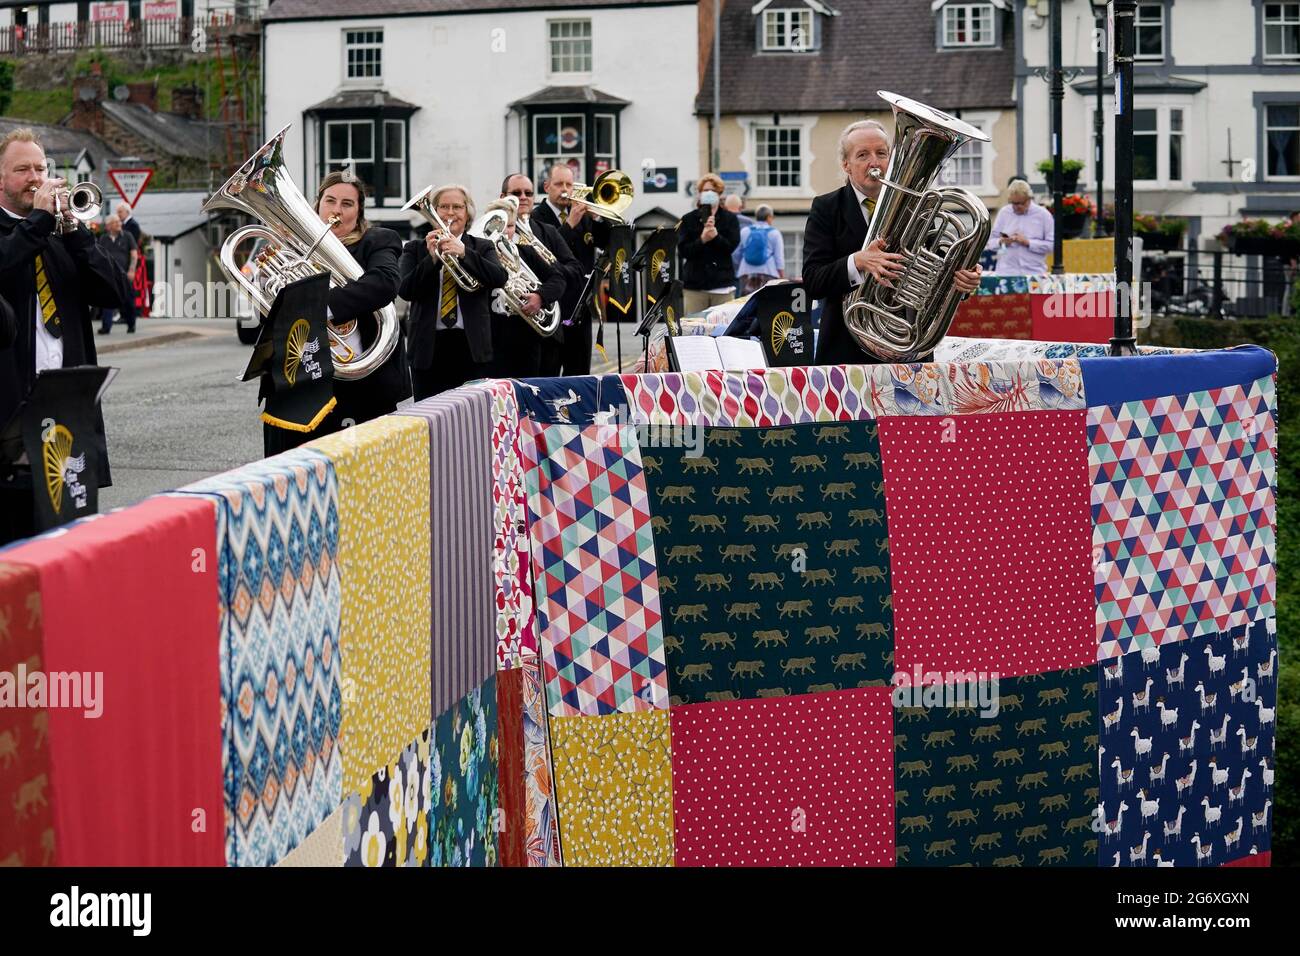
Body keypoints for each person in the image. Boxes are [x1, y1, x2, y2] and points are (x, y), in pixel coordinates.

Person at [0, 128, 129, 545]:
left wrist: (75, 232)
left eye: (41, 167)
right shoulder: (19, 231)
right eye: (22, 169)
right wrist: (37, 222)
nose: (35, 177)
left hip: (67, 413)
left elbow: (117, 295)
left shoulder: (61, 235)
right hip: (9, 415)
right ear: (0, 179)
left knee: (65, 549)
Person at [803, 119, 982, 365]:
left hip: (909, 351)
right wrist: (859, 261)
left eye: (881, 153)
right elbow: (813, 280)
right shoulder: (826, 208)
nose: (874, 162)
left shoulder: (918, 205)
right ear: (846, 164)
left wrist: (961, 278)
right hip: (846, 352)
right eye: (863, 155)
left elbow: (938, 259)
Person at [263, 170, 408, 456]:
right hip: (299, 381)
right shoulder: (291, 249)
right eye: (330, 201)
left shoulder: (377, 240)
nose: (336, 210)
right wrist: (265, 285)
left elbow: (384, 283)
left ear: (358, 211)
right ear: (317, 205)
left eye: (347, 204)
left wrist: (316, 307)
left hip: (359, 382)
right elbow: (271, 317)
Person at [399, 184, 507, 400]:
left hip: (470, 346)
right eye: (443, 207)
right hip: (428, 347)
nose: (450, 213)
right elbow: (406, 290)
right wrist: (431, 260)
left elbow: (499, 277)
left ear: (467, 213)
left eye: (457, 207)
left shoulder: (482, 246)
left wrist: (464, 253)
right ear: (435, 212)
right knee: (429, 417)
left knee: (472, 416)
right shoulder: (415, 248)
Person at [532, 163, 611, 376]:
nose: (565, 189)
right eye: (559, 184)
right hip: (552, 304)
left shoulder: (583, 214)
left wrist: (598, 217)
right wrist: (570, 224)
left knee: (579, 372)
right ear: (547, 186)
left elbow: (607, 243)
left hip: (580, 305)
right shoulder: (536, 217)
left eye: (569, 184)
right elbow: (544, 254)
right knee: (548, 372)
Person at [500, 172, 580, 375]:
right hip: (508, 333)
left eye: (528, 192)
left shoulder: (547, 231)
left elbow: (574, 270)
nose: (523, 197)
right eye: (516, 193)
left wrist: (546, 278)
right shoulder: (494, 232)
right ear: (503, 197)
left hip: (546, 331)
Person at [478, 196, 565, 380]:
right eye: (497, 226)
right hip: (491, 343)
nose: (503, 231)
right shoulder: (478, 257)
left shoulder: (526, 252)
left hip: (526, 342)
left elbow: (558, 279)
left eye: (510, 226)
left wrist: (540, 297)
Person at [678, 173, 741, 314]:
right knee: (693, 330)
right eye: (705, 190)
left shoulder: (730, 219)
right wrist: (702, 240)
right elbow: (683, 251)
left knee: (722, 330)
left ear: (720, 194)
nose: (709, 193)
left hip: (722, 285)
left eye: (713, 191)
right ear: (699, 194)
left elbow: (731, 247)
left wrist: (716, 237)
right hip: (695, 286)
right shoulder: (688, 219)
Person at [984, 179, 1054, 275]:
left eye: (1021, 203)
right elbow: (990, 243)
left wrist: (1028, 242)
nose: (1017, 206)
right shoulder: (1004, 213)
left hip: (1034, 273)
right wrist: (1001, 242)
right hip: (1006, 273)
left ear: (1029, 198)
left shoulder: (1044, 215)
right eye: (1014, 203)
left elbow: (1052, 246)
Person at [96, 213, 138, 334]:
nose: (119, 224)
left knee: (129, 301)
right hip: (109, 274)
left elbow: (134, 254)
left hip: (124, 274)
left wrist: (132, 270)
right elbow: (98, 255)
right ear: (108, 226)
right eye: (115, 222)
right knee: (107, 300)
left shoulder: (128, 236)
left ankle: (131, 324)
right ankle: (106, 327)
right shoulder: (103, 238)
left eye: (119, 222)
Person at [737, 204, 784, 295]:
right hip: (768, 272)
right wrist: (781, 275)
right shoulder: (774, 233)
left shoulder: (745, 231)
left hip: (746, 272)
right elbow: (779, 257)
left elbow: (738, 253)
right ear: (769, 217)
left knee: (745, 303)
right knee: (767, 303)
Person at [725, 193, 755, 275]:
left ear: (726, 207)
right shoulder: (750, 223)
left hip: (725, 268)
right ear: (740, 206)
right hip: (745, 268)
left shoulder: (720, 222)